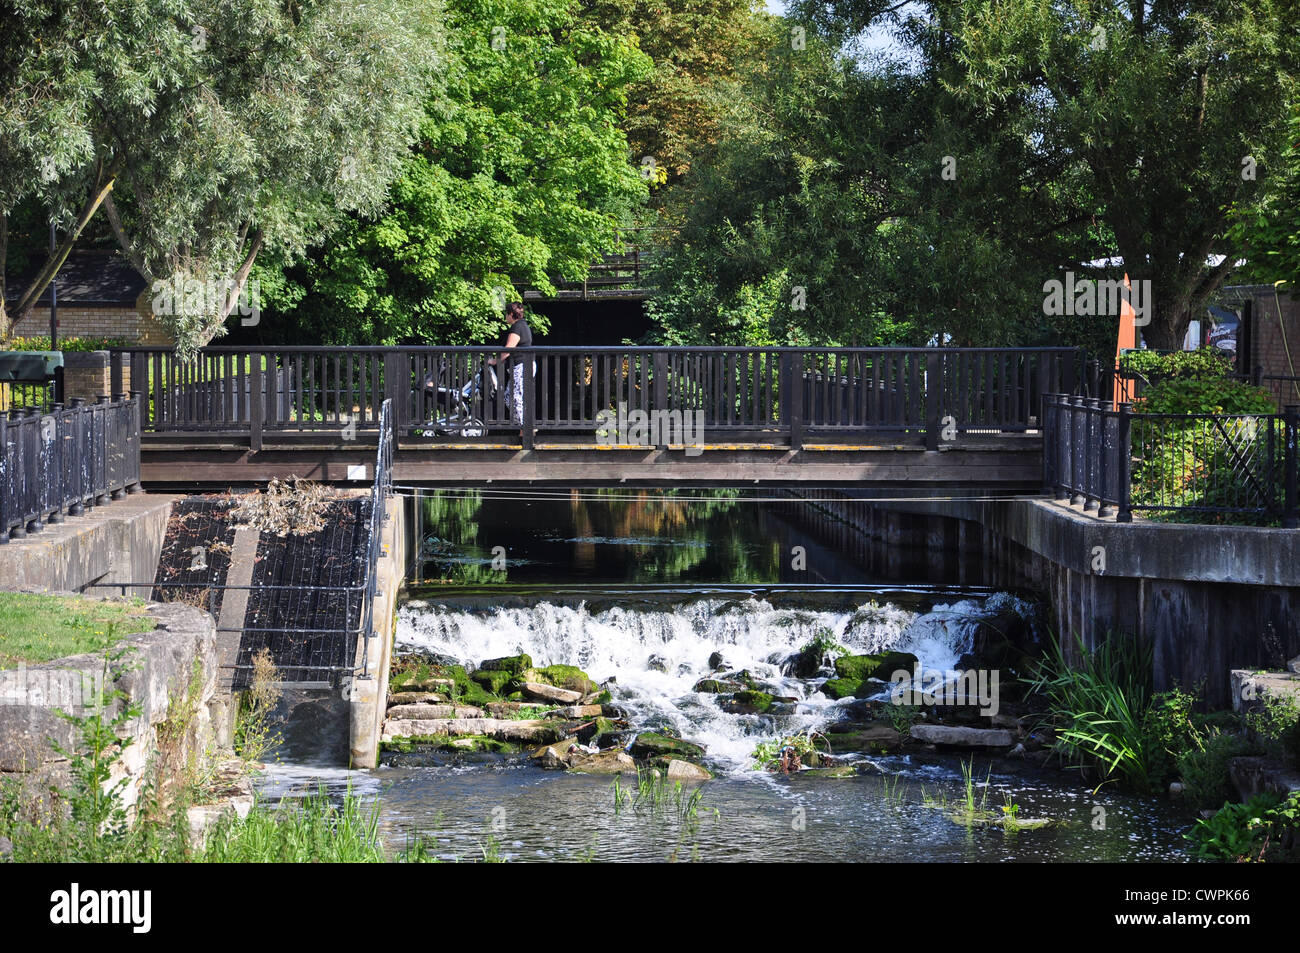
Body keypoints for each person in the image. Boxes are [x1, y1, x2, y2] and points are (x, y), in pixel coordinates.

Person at [486, 301, 533, 440]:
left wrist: (495, 361)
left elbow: (509, 348)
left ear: (511, 314)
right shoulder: (523, 325)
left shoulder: (517, 327)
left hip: (521, 366)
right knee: (509, 396)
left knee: (515, 397)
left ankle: (526, 428)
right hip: (523, 366)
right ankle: (523, 427)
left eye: (506, 314)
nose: (505, 317)